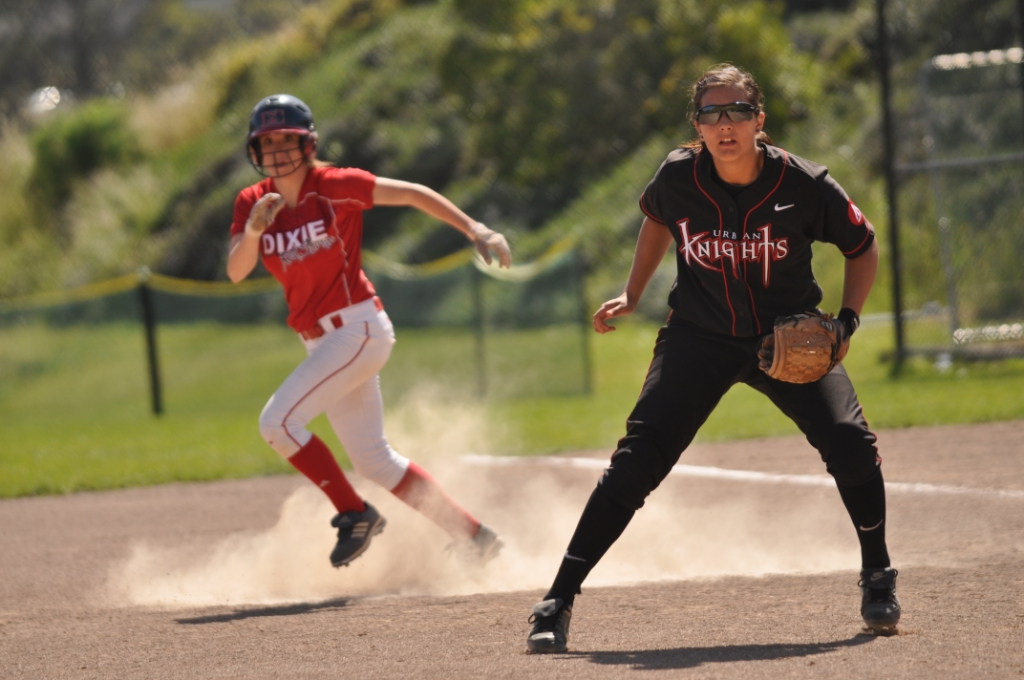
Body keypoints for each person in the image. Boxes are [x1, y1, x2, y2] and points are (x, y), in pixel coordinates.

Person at [525, 64, 899, 653]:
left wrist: (847, 320)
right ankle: (558, 599)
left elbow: (863, 245)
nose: (724, 125)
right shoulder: (680, 177)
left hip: (786, 339)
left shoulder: (803, 183)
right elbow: (656, 220)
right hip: (699, 335)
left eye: (737, 112)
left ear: (759, 121)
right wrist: (633, 292)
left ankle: (877, 572)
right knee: (637, 462)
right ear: (696, 126)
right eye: (710, 114)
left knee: (850, 444)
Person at [227, 94, 509, 569]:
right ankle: (474, 537)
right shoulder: (251, 203)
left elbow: (414, 193)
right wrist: (253, 231)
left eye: (286, 139)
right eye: (267, 140)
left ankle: (354, 513)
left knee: (276, 423)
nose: (277, 149)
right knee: (375, 461)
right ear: (255, 150)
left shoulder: (334, 185)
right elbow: (236, 271)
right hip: (324, 343)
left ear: (308, 143)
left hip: (356, 329)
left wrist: (476, 229)